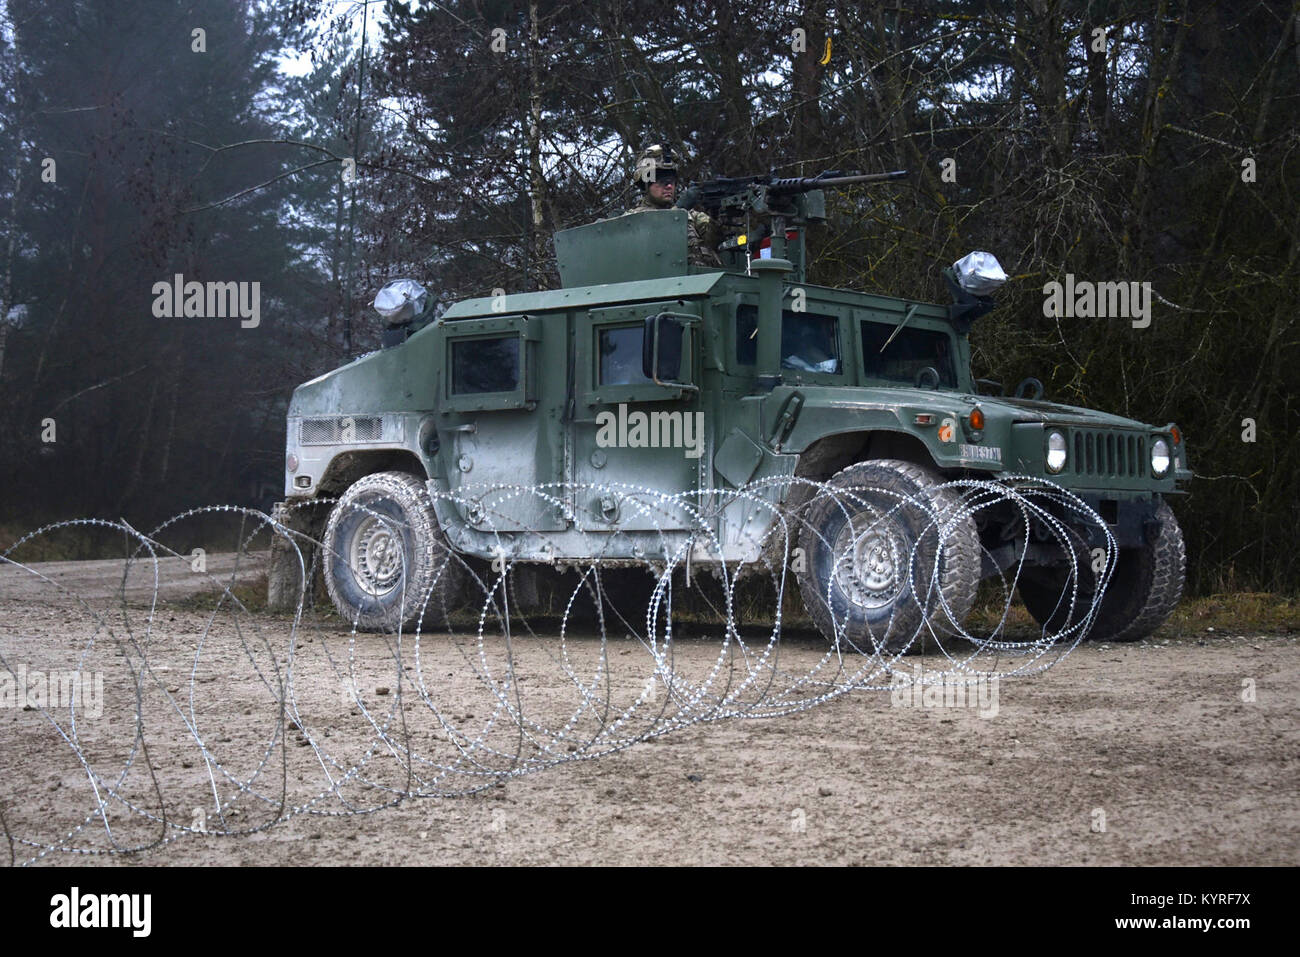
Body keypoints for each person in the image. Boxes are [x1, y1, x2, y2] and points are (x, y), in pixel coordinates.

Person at [623, 144, 721, 268]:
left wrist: (715, 214)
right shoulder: (632, 219)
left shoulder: (692, 216)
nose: (669, 186)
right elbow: (653, 241)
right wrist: (679, 209)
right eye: (661, 180)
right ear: (645, 184)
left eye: (671, 181)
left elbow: (714, 242)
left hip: (705, 281)